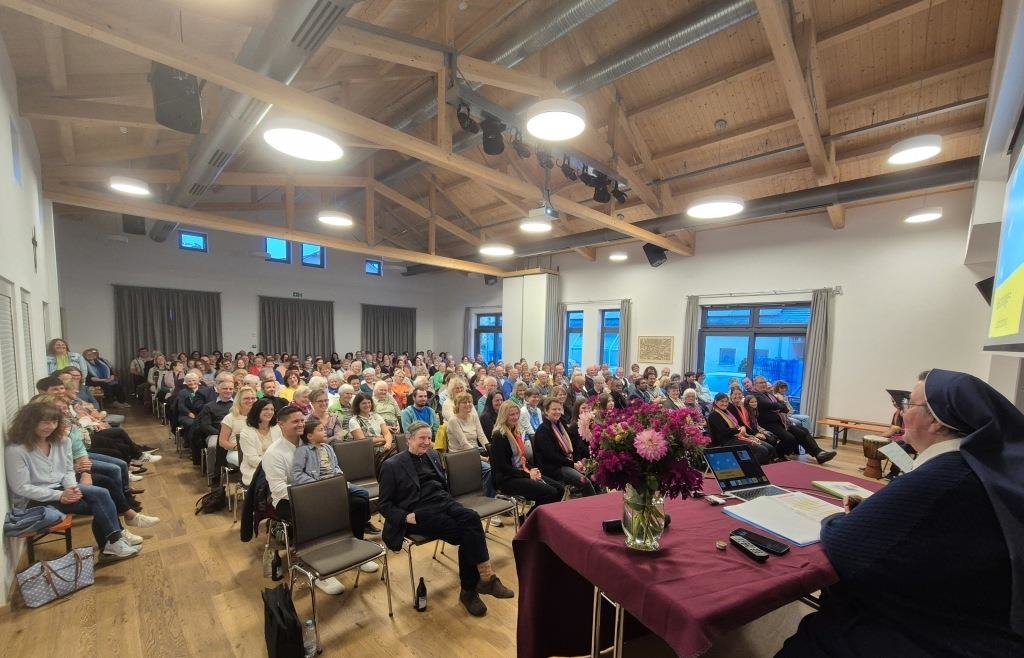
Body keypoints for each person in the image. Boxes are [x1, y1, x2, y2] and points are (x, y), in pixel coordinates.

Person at [778, 369, 1024, 657]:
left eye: (911, 405)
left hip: (941, 636)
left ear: (936, 420)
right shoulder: (987, 467)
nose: (903, 413)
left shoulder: (947, 472)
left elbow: (844, 542)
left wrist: (840, 518)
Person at [378, 421, 514, 616]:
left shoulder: (433, 455)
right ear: (409, 439)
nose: (427, 442)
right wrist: (405, 517)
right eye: (421, 438)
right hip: (418, 513)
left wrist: (448, 501)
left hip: (443, 503)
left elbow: (442, 486)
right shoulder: (392, 465)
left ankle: (484, 579)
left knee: (472, 518)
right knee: (469, 534)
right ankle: (475, 588)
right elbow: (384, 504)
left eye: (429, 438)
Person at [4, 402, 139, 558]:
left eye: (54, 422)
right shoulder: (16, 450)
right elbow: (21, 488)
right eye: (45, 422)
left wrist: (72, 488)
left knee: (102, 500)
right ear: (29, 422)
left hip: (63, 489)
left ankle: (113, 544)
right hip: (34, 501)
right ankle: (113, 543)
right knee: (102, 496)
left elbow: (68, 470)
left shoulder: (62, 442)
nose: (50, 426)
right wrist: (61, 495)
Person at [263, 405, 347, 595]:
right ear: (281, 424)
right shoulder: (274, 453)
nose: (301, 424)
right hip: (288, 500)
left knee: (354, 502)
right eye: (295, 421)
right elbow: (278, 489)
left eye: (302, 420)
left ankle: (348, 551)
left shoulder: (309, 443)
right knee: (314, 517)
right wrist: (312, 494)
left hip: (316, 492)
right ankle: (318, 570)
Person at [291, 418, 379, 560]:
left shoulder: (328, 448)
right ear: (309, 436)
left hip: (336, 483)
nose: (324, 431)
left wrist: (340, 478)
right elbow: (297, 474)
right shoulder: (303, 451)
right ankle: (354, 532)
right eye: (320, 430)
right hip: (319, 487)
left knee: (363, 494)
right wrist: (315, 483)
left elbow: (336, 467)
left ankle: (361, 529)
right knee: (356, 502)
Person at [489, 401, 564, 509]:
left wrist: (531, 470)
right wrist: (528, 474)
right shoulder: (498, 435)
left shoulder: (515, 432)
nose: (515, 417)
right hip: (507, 479)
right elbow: (503, 467)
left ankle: (538, 518)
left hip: (520, 473)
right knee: (551, 492)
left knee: (560, 489)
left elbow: (522, 460)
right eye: (511, 414)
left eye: (516, 414)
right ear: (504, 416)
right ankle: (530, 520)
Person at [751, 376, 835, 464]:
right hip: (767, 424)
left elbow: (784, 407)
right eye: (761, 383)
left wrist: (778, 405)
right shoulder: (755, 395)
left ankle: (819, 453)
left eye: (765, 382)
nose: (764, 384)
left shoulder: (769, 394)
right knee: (790, 438)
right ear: (755, 384)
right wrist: (778, 405)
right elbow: (769, 405)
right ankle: (777, 454)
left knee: (803, 431)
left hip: (780, 422)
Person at [532, 397, 594, 496]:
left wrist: (577, 461)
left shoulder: (561, 425)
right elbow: (552, 456)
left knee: (593, 474)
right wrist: (572, 464)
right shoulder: (543, 430)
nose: (557, 412)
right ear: (546, 411)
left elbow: (573, 446)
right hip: (553, 467)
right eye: (554, 409)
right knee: (585, 482)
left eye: (559, 409)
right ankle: (595, 507)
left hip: (565, 463)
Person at [446, 392, 494, 497]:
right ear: (457, 405)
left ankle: (495, 493)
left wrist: (491, 451)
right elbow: (464, 444)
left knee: (497, 463)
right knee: (489, 469)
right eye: (464, 402)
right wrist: (483, 458)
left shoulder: (473, 416)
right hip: (460, 455)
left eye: (469, 402)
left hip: (475, 451)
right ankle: (487, 496)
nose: (468, 404)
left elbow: (481, 435)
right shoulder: (453, 420)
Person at [706, 393, 775, 464]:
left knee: (770, 448)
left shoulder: (727, 412)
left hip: (737, 436)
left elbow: (737, 425)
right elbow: (724, 431)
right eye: (722, 401)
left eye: (726, 401)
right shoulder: (713, 415)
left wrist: (742, 428)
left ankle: (763, 469)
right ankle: (748, 469)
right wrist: (740, 429)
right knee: (762, 450)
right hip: (727, 441)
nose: (724, 403)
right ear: (716, 402)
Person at [348, 393, 397, 476]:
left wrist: (388, 443)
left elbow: (387, 433)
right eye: (364, 403)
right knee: (396, 454)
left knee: (399, 449)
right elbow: (363, 441)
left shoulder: (376, 416)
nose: (367, 405)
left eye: (369, 402)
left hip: (385, 446)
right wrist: (383, 439)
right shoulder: (354, 421)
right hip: (369, 450)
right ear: (357, 405)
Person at [239, 398, 281, 487]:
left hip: (277, 465)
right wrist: (273, 465)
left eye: (272, 409)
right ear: (257, 411)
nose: (269, 412)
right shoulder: (246, 433)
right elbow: (252, 460)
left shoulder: (277, 428)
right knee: (273, 481)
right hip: (255, 469)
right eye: (265, 409)